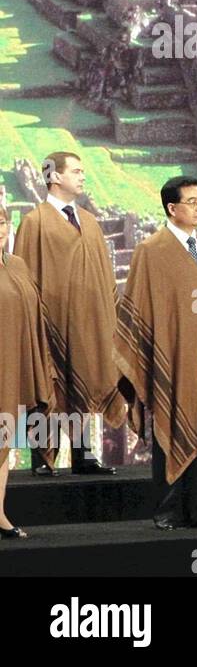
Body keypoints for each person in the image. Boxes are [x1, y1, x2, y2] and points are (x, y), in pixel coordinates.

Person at [116, 177, 197, 529]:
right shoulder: (151, 251)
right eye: (192, 202)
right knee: (169, 428)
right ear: (172, 208)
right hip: (169, 358)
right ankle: (166, 510)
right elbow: (139, 309)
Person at [13, 152, 126, 476]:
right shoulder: (34, 223)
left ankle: (83, 454)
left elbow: (104, 276)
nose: (82, 176)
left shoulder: (89, 222)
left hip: (88, 322)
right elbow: (24, 278)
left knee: (86, 379)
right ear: (55, 177)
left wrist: (107, 318)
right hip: (51, 322)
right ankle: (43, 458)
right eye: (76, 171)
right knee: (48, 385)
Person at [0, 209, 59, 539]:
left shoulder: (17, 265)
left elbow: (31, 317)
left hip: (12, 366)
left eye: (2, 223)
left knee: (4, 442)